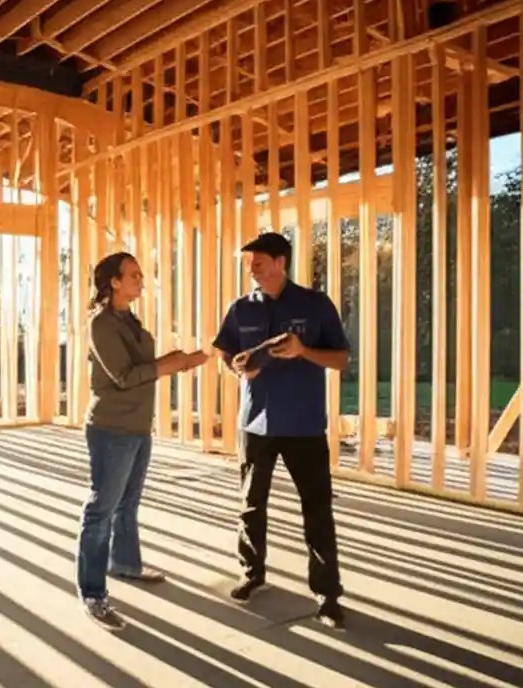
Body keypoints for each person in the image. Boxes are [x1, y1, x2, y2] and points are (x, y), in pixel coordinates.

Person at [211, 231, 350, 629]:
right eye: (248, 263)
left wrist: (303, 351)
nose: (251, 269)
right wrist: (236, 366)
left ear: (279, 263)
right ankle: (251, 574)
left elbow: (340, 359)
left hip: (304, 426)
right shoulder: (241, 308)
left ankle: (327, 594)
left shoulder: (315, 304)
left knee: (317, 510)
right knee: (251, 504)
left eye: (257, 262)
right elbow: (224, 350)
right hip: (255, 424)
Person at [77, 251, 207, 630]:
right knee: (101, 510)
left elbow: (143, 369)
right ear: (114, 282)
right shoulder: (101, 323)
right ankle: (93, 593)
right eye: (133, 275)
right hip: (111, 429)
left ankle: (126, 564)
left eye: (140, 274)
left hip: (137, 427)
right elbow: (122, 376)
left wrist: (181, 358)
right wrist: (171, 365)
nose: (140, 280)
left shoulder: (129, 320)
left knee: (127, 504)